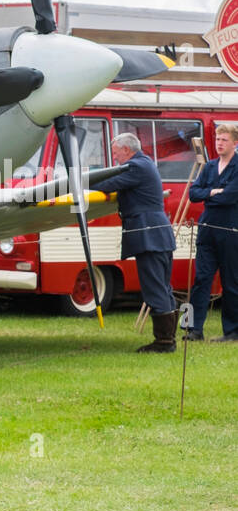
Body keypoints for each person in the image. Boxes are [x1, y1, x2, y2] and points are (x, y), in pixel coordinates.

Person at [96, 133, 178, 352]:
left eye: (115, 153)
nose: (114, 158)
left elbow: (108, 184)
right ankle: (168, 339)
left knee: (154, 288)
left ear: (126, 150)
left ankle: (164, 342)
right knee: (162, 287)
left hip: (149, 235)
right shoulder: (144, 163)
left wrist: (78, 181)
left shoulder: (136, 166)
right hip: (158, 234)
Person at [182, 122, 238, 341]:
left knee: (231, 281)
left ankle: (233, 330)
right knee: (201, 279)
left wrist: (209, 195)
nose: (219, 143)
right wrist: (214, 191)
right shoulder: (209, 166)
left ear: (235, 143)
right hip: (207, 230)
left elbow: (231, 196)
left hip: (230, 230)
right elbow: (193, 194)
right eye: (217, 139)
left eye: (224, 140)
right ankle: (194, 329)